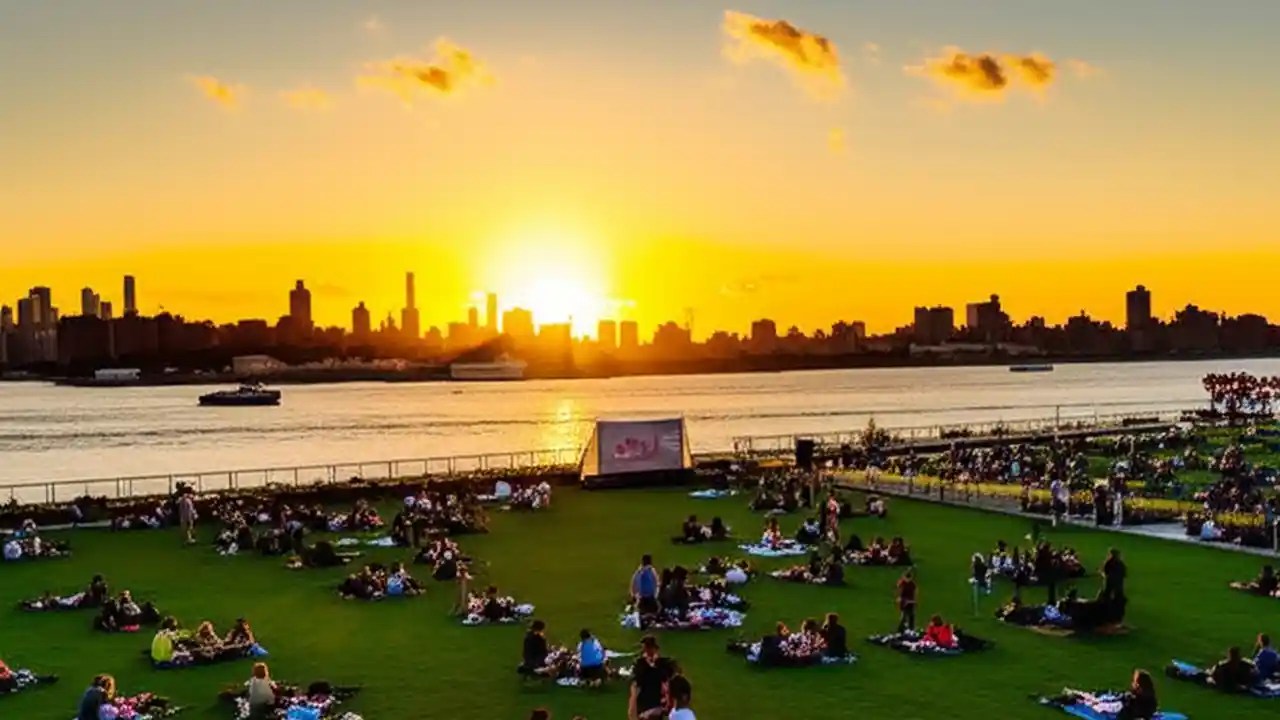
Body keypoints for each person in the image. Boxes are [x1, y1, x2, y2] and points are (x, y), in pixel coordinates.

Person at [630, 636, 676, 720]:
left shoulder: (663, 663)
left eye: (647, 648)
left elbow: (666, 677)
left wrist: (656, 663)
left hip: (657, 701)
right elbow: (638, 680)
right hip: (644, 702)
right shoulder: (640, 663)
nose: (645, 651)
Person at [631, 555, 660, 626]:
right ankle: (648, 616)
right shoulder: (651, 571)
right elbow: (656, 583)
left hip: (641, 597)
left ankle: (644, 616)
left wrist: (634, 595)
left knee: (642, 610)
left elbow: (633, 584)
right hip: (649, 597)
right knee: (657, 610)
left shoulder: (638, 571)